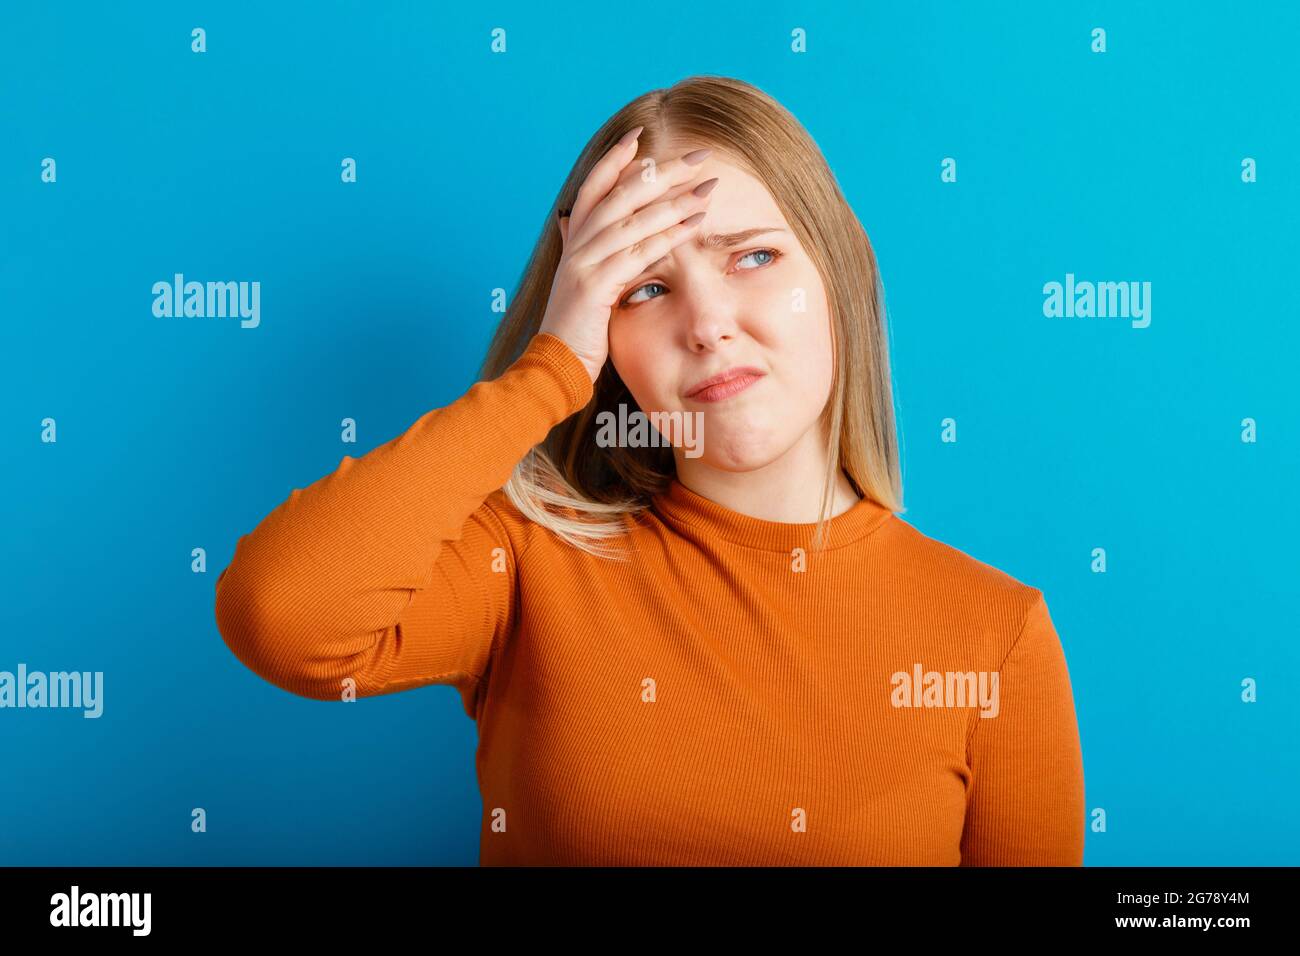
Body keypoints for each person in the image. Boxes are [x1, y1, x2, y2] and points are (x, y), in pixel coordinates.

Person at [215, 75, 1085, 866]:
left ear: (840, 271)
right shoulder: (523, 564)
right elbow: (282, 616)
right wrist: (547, 367)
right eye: (642, 288)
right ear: (603, 342)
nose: (707, 324)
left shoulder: (993, 636)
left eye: (753, 256)